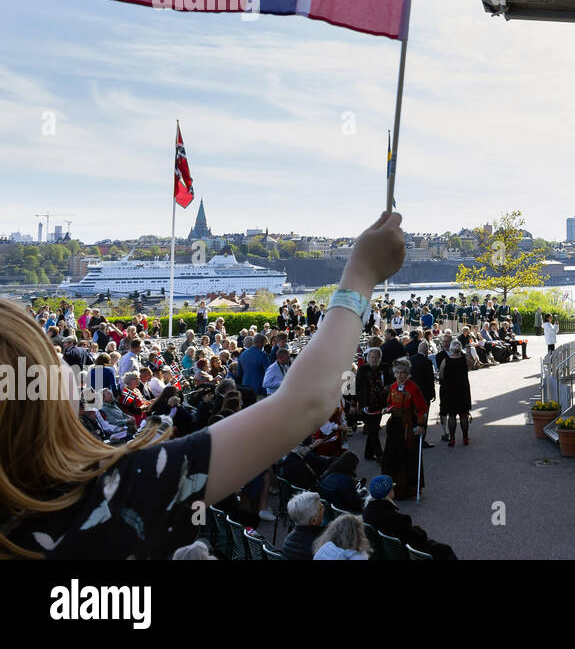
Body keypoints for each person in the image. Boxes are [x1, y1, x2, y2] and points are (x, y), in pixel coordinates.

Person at [1, 210, 405, 559]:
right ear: (38, 394)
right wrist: (361, 275)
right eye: (50, 353)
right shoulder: (114, 496)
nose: (64, 356)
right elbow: (307, 401)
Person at [362, 476, 455, 559]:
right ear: (388, 493)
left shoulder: (366, 512)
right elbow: (419, 538)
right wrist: (419, 530)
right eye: (392, 489)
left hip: (385, 551)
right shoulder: (398, 519)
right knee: (446, 550)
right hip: (406, 552)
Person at [382, 358, 426, 499]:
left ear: (407, 374)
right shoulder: (393, 386)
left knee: (407, 457)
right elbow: (390, 403)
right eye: (397, 373)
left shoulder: (414, 388)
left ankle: (407, 490)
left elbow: (422, 409)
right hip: (394, 425)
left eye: (402, 373)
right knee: (391, 456)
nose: (399, 375)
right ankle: (391, 488)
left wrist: (420, 425)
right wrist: (387, 409)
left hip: (407, 426)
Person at [356, 347, 390, 462]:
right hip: (367, 404)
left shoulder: (384, 368)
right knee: (373, 429)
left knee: (373, 429)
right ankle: (380, 455)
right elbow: (358, 387)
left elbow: (390, 381)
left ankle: (368, 454)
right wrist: (354, 403)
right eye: (372, 357)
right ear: (368, 358)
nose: (374, 359)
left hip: (380, 404)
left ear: (380, 358)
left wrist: (387, 388)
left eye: (376, 357)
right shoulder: (363, 369)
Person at [437, 339, 472, 447]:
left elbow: (441, 375)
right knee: (463, 415)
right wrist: (468, 353)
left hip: (450, 390)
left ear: (451, 349)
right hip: (463, 389)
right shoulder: (464, 359)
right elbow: (471, 365)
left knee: (451, 415)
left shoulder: (445, 360)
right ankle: (465, 438)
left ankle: (452, 439)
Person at [281, 491, 327, 560]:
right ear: (314, 521)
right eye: (321, 507)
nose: (323, 507)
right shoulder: (319, 545)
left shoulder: (287, 540)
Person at [237, 333, 272, 399]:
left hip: (245, 387)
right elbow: (268, 373)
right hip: (259, 389)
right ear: (260, 342)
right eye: (264, 343)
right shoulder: (263, 355)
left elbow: (239, 373)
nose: (264, 345)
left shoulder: (242, 354)